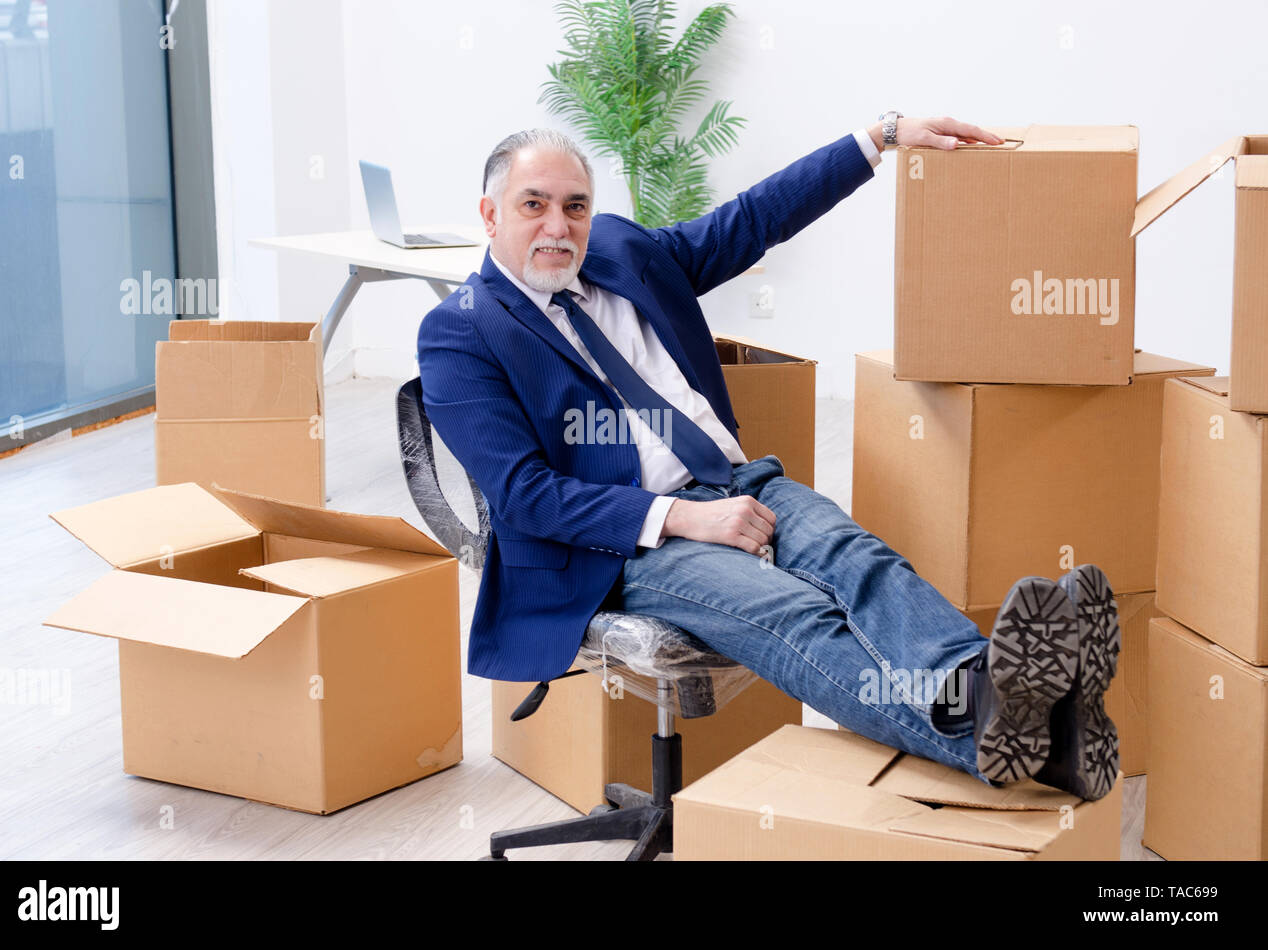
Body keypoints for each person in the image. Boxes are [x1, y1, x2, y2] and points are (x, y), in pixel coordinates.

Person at [417, 117, 1121, 801]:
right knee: (795, 614)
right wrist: (687, 520)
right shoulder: (461, 332)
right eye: (532, 205)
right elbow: (525, 494)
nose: (558, 226)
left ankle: (995, 698)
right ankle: (1038, 739)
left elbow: (751, 221)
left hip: (735, 482)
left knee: (861, 560)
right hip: (622, 548)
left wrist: (880, 138)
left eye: (575, 206)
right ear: (489, 215)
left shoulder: (620, 252)